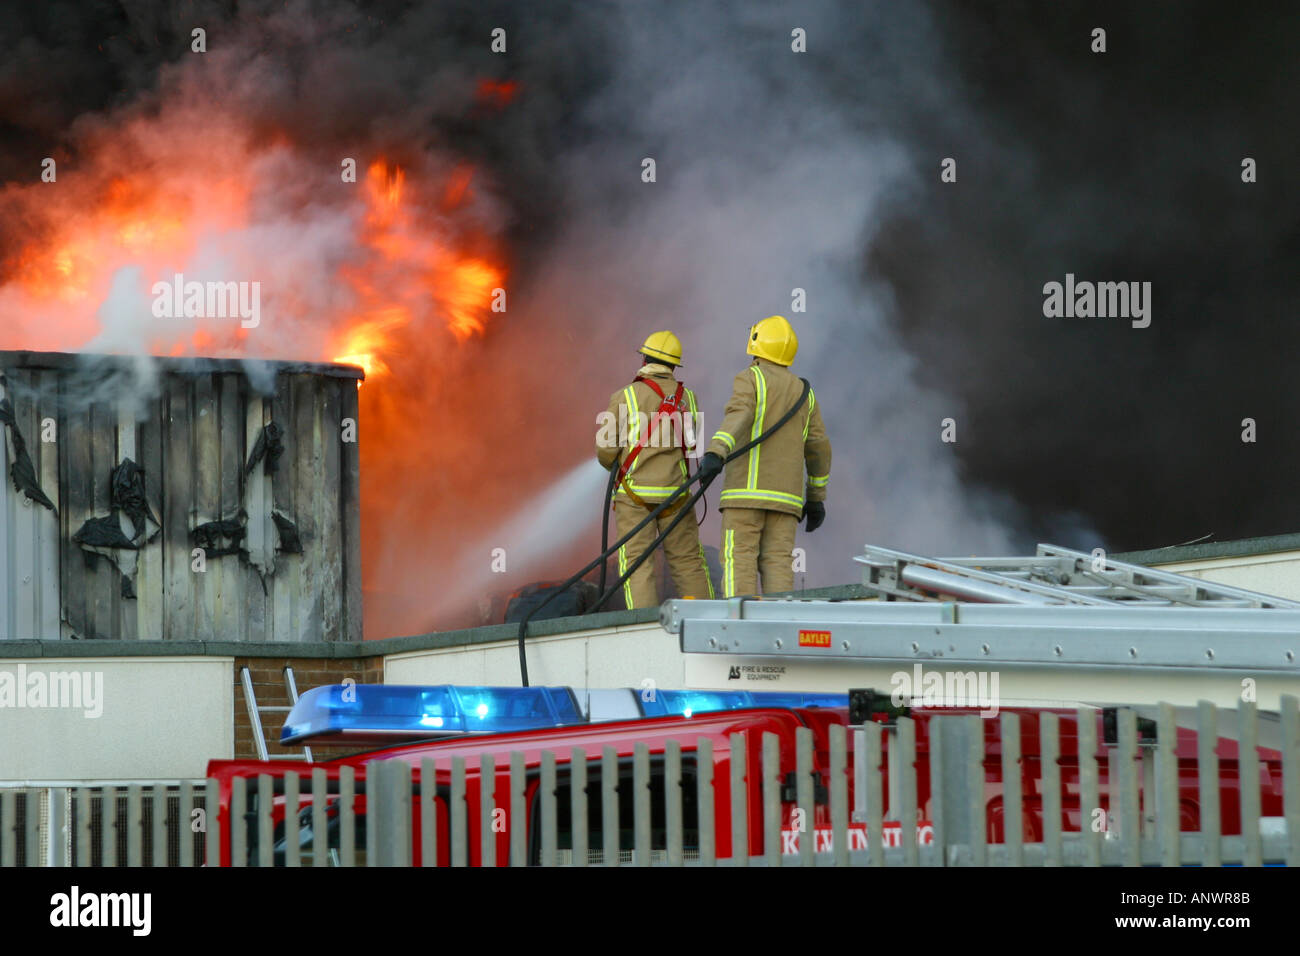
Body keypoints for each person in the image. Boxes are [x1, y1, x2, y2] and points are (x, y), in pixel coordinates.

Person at [697, 315, 831, 596]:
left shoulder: (751, 378)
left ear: (756, 343)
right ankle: (777, 631)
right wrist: (816, 499)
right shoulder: (805, 394)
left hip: (746, 494)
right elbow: (818, 447)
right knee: (779, 565)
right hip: (786, 502)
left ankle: (740, 631)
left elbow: (740, 414)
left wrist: (715, 452)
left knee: (739, 560)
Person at [595, 331, 715, 608]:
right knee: (687, 561)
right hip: (677, 495)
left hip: (634, 496)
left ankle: (642, 632)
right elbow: (694, 446)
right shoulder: (689, 399)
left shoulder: (625, 396)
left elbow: (605, 451)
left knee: (637, 564)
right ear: (673, 366)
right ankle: (705, 620)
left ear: (645, 359)